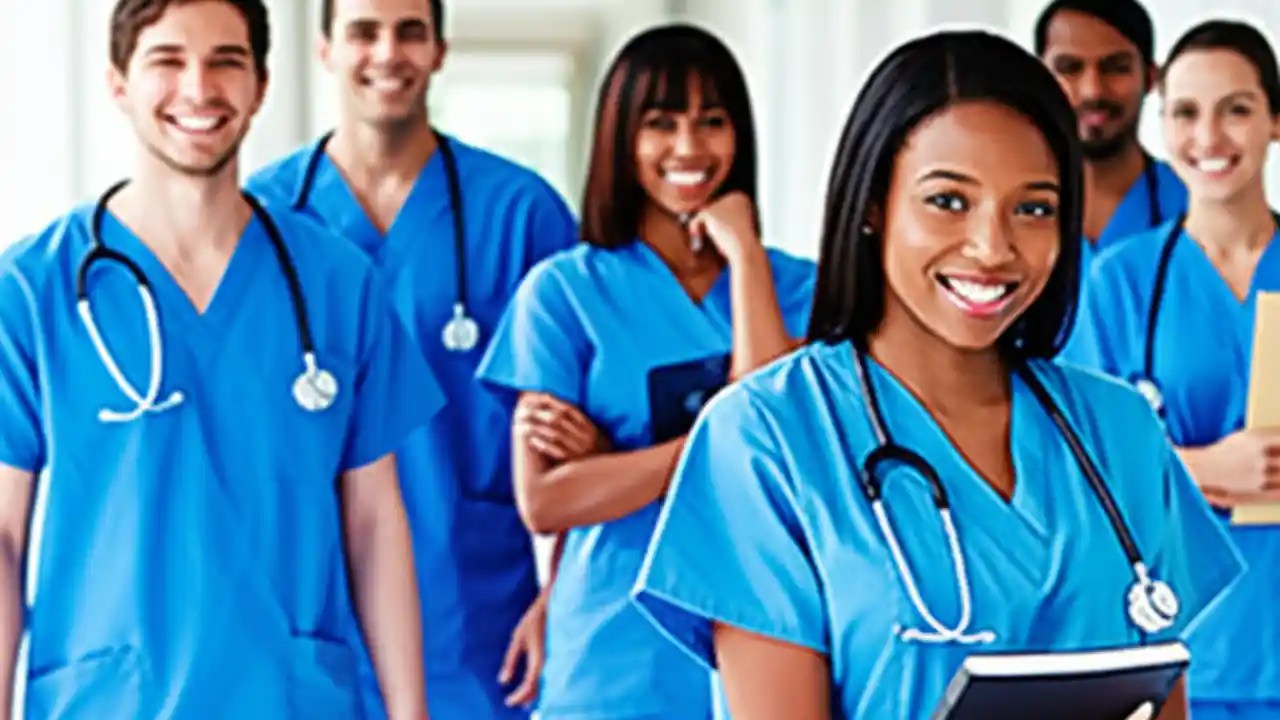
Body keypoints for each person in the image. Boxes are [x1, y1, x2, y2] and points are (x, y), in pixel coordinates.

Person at [630, 29, 1243, 720]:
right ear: (871, 205)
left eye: (1034, 208)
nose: (992, 247)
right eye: (948, 201)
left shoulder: (1120, 430)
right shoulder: (766, 437)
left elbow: (1163, 697)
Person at [0, 0, 434, 717]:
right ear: (118, 83)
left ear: (261, 85)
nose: (199, 89)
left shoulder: (336, 284)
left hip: (292, 698)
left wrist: (409, 713)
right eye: (167, 61)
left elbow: (375, 523)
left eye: (226, 62)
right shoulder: (33, 290)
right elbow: (4, 536)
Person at [246, 0, 578, 716]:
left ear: (440, 50)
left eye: (409, 32)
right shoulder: (261, 219)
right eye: (364, 32)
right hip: (310, 611)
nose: (387, 53)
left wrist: (563, 597)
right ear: (326, 49)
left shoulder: (521, 213)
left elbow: (594, 431)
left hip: (479, 617)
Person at [476, 23, 817, 719]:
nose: (689, 148)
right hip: (610, 650)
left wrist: (744, 253)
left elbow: (784, 453)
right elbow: (546, 501)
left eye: (712, 123)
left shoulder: (797, 289)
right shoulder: (564, 292)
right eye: (661, 124)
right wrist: (708, 453)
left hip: (761, 640)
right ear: (621, 137)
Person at [1072, 20, 1280, 720]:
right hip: (1192, 647)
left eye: (1237, 109)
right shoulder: (1123, 281)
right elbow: (1084, 467)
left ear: (1275, 122)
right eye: (1187, 112)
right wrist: (1202, 467)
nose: (1210, 136)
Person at [1034, 0, 1188, 358]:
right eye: (1070, 68)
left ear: (1151, 78)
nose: (1093, 91)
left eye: (1115, 68)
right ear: (1041, 78)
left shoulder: (1196, 209)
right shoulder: (1012, 211)